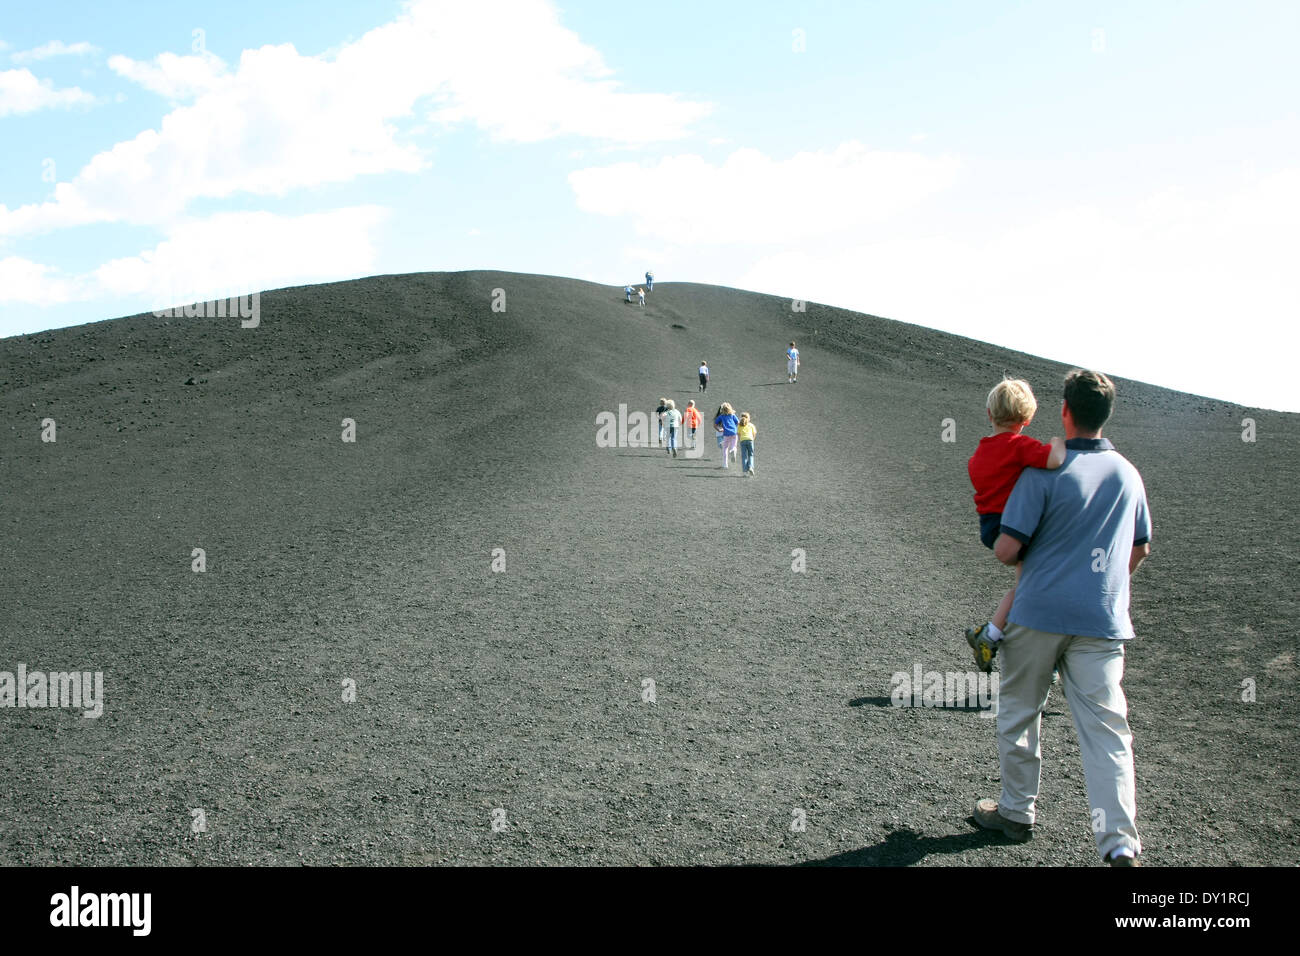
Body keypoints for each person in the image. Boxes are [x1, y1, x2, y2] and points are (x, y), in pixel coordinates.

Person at [972, 369, 1152, 867]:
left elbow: (1009, 552)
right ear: (1105, 415)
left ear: (1064, 412)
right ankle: (1118, 843)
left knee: (1019, 712)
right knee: (1107, 729)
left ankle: (1016, 812)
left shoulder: (1042, 472)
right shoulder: (1127, 474)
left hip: (1038, 613)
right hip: (1101, 619)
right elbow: (1139, 548)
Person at [964, 378, 1065, 672]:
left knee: (1027, 585)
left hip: (990, 526)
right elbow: (1054, 460)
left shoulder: (979, 454)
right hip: (1015, 527)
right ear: (1027, 418)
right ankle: (993, 636)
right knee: (1028, 586)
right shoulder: (1020, 447)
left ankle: (994, 632)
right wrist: (1058, 442)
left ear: (989, 414)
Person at [714, 402, 739, 468]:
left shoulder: (721, 416)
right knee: (734, 445)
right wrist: (735, 427)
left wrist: (719, 429)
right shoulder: (733, 415)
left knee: (725, 448)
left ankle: (725, 464)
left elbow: (715, 424)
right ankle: (733, 450)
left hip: (726, 433)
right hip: (734, 432)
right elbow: (738, 422)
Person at [737, 412, 757, 476]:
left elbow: (738, 434)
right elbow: (754, 433)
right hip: (750, 440)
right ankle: (751, 467)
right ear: (748, 418)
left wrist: (740, 440)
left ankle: (745, 471)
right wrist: (752, 439)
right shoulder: (751, 425)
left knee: (744, 456)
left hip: (743, 441)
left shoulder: (739, 425)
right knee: (751, 455)